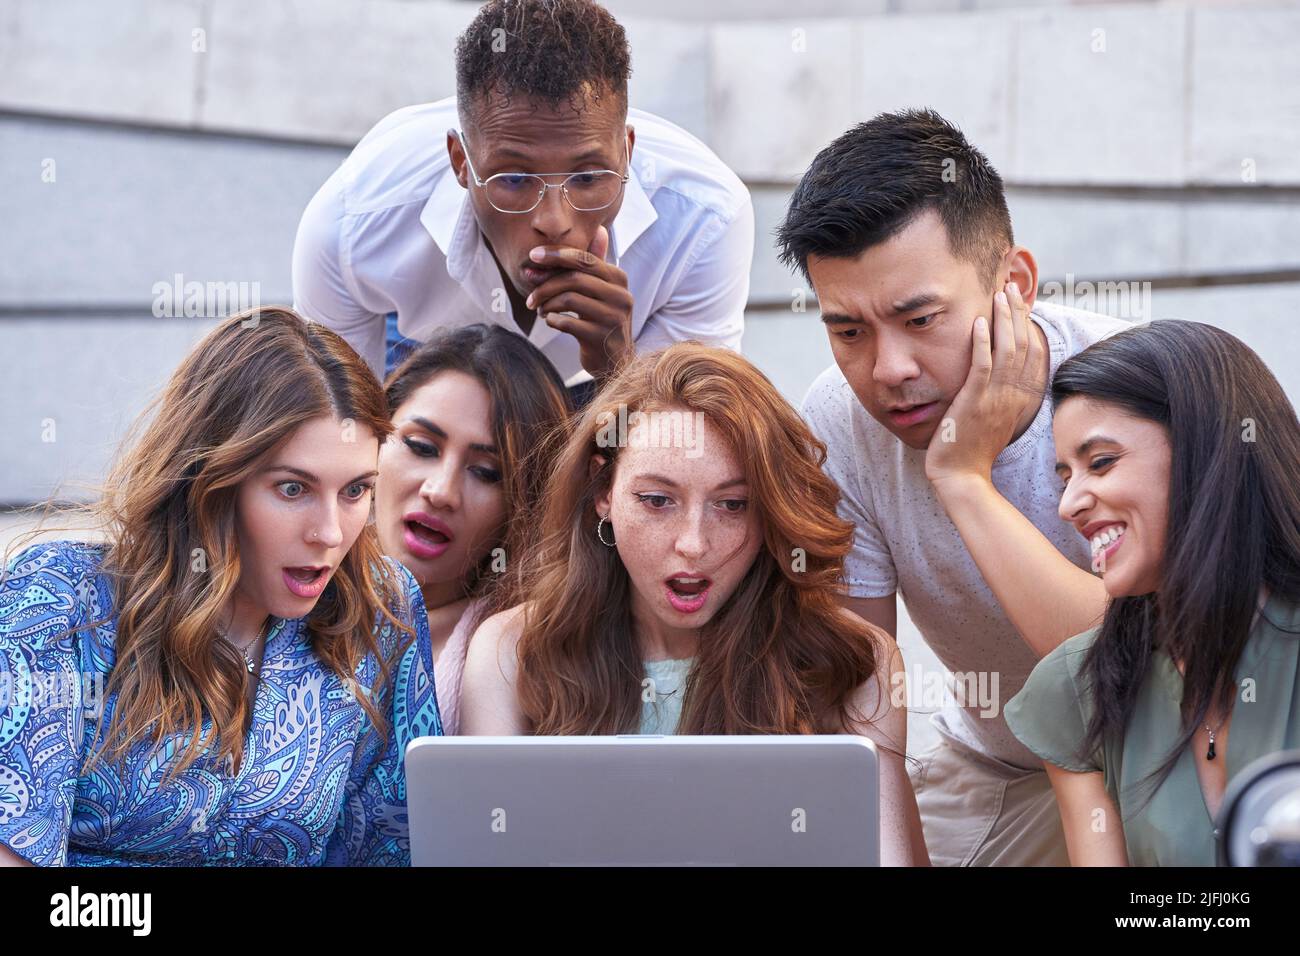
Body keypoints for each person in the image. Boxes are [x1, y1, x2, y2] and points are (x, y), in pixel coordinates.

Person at [778, 108, 1131, 865]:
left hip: (1156, 756)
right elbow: (856, 683)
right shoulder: (839, 422)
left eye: (920, 318)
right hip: (993, 764)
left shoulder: (1137, 390)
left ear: (1015, 284)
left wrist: (963, 477)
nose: (889, 369)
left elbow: (1126, 663)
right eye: (849, 331)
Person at [461, 343, 930, 866]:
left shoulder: (856, 660)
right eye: (657, 500)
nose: (693, 544)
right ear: (602, 490)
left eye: (732, 505)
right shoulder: (513, 649)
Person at [0, 308, 439, 867]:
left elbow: (395, 848)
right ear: (210, 481)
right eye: (291, 488)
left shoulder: (381, 606)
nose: (329, 532)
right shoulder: (58, 601)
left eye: (355, 491)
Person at [292, 0, 754, 404]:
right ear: (460, 161)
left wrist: (621, 368)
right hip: (418, 351)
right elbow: (339, 441)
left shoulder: (705, 219)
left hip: (589, 390)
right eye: (514, 178)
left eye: (589, 176)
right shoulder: (354, 223)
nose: (553, 221)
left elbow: (686, 456)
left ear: (627, 151)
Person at [1004, 320, 1300, 866]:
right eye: (1065, 475)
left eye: (1101, 463)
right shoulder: (1073, 690)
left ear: (1206, 451)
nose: (1069, 504)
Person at [375, 324, 573, 735]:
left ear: (529, 502)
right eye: (422, 447)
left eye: (486, 472)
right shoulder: (286, 595)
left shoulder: (526, 649)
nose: (441, 491)